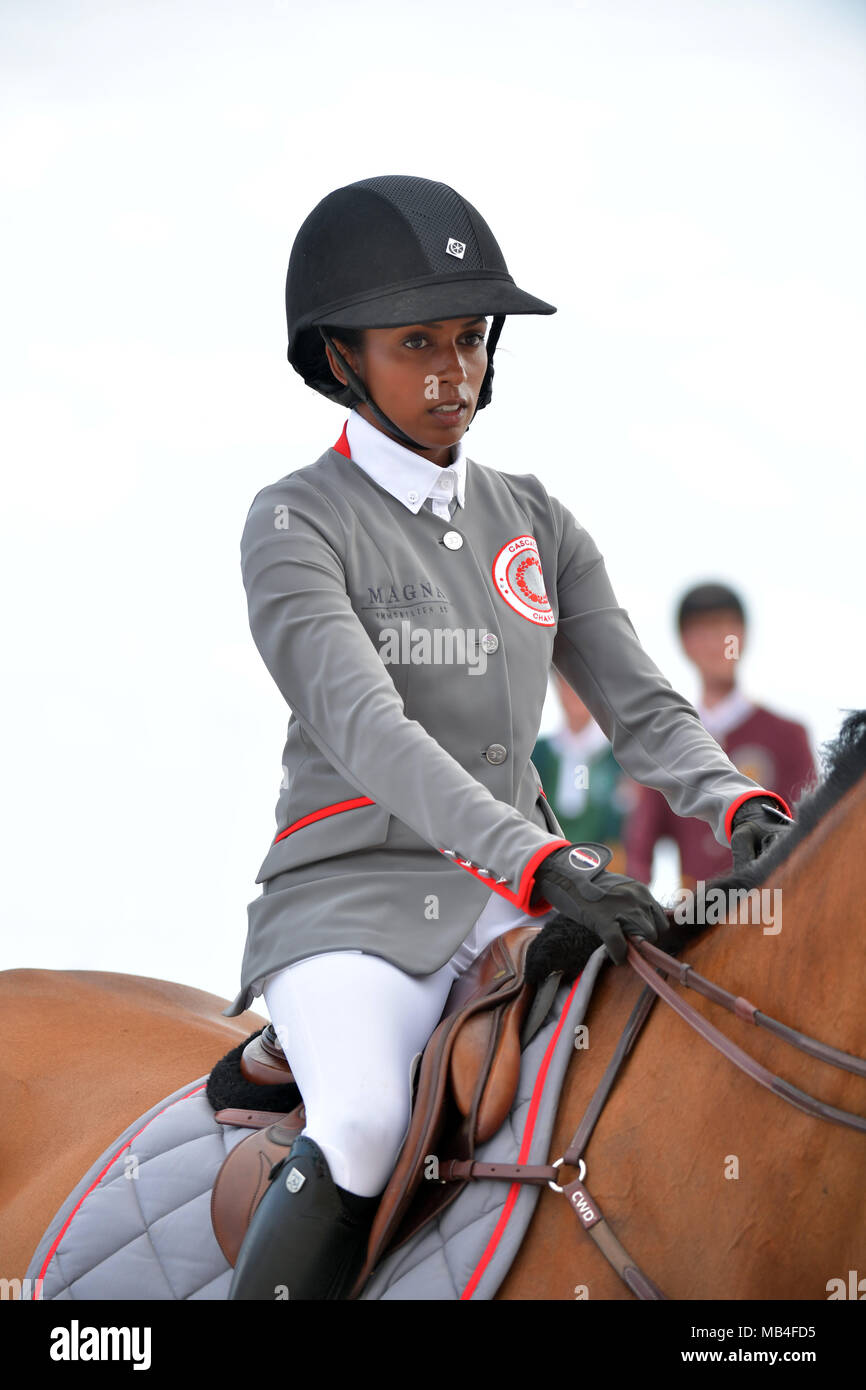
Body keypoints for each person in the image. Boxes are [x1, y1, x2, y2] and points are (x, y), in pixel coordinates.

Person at [222, 176, 794, 1301]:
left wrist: (737, 804)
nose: (455, 373)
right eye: (416, 343)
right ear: (340, 359)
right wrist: (541, 858)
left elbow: (640, 704)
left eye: (471, 341)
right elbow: (369, 731)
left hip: (527, 891)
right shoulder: (293, 522)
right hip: (354, 901)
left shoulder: (534, 517)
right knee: (366, 1118)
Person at [625, 582, 816, 890]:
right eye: (704, 632)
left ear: (743, 637)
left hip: (774, 910)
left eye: (726, 631)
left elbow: (811, 831)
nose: (717, 645)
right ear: (685, 644)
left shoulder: (788, 735)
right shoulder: (665, 742)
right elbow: (639, 850)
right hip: (700, 921)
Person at [531, 673, 634, 872]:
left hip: (607, 874)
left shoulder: (620, 758)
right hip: (548, 872)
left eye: (583, 687)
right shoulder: (539, 754)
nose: (575, 694)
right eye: (568, 686)